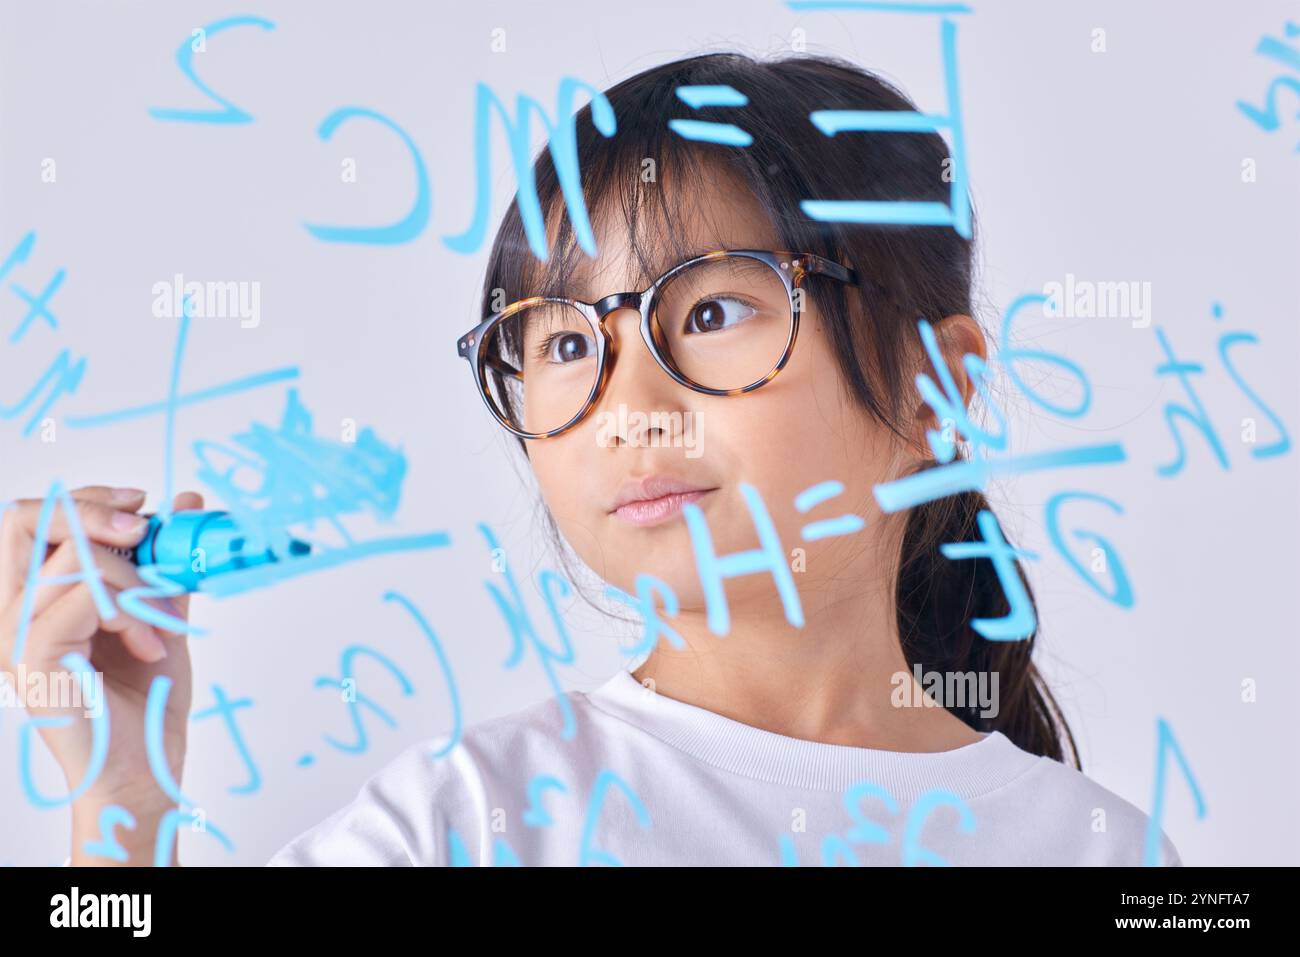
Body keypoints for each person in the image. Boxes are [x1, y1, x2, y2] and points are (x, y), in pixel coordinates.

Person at [2, 51, 1181, 866]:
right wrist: (120, 806)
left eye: (714, 313)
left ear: (941, 388)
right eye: (565, 341)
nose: (628, 407)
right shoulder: (465, 825)